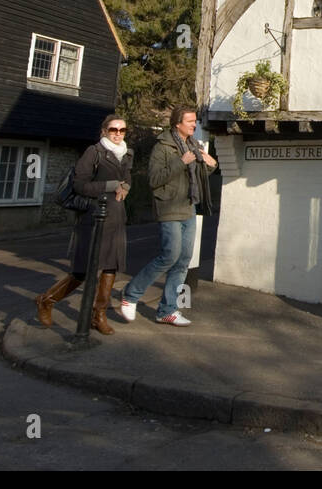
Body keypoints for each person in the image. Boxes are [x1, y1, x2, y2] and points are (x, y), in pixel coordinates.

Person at [34, 113, 133, 333]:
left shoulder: (126, 153)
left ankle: (99, 315)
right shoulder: (94, 152)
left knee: (110, 267)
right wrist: (111, 185)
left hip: (116, 216)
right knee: (83, 270)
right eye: (113, 130)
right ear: (104, 131)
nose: (118, 134)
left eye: (122, 130)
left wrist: (125, 187)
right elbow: (80, 185)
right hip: (93, 216)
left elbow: (128, 179)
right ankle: (47, 300)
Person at [120, 106, 216, 326]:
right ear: (177, 124)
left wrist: (211, 165)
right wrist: (180, 161)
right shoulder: (162, 148)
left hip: (189, 207)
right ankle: (131, 294)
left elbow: (197, 175)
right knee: (169, 256)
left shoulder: (194, 145)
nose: (194, 124)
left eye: (195, 121)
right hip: (169, 207)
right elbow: (154, 179)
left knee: (183, 261)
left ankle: (167, 311)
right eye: (190, 121)